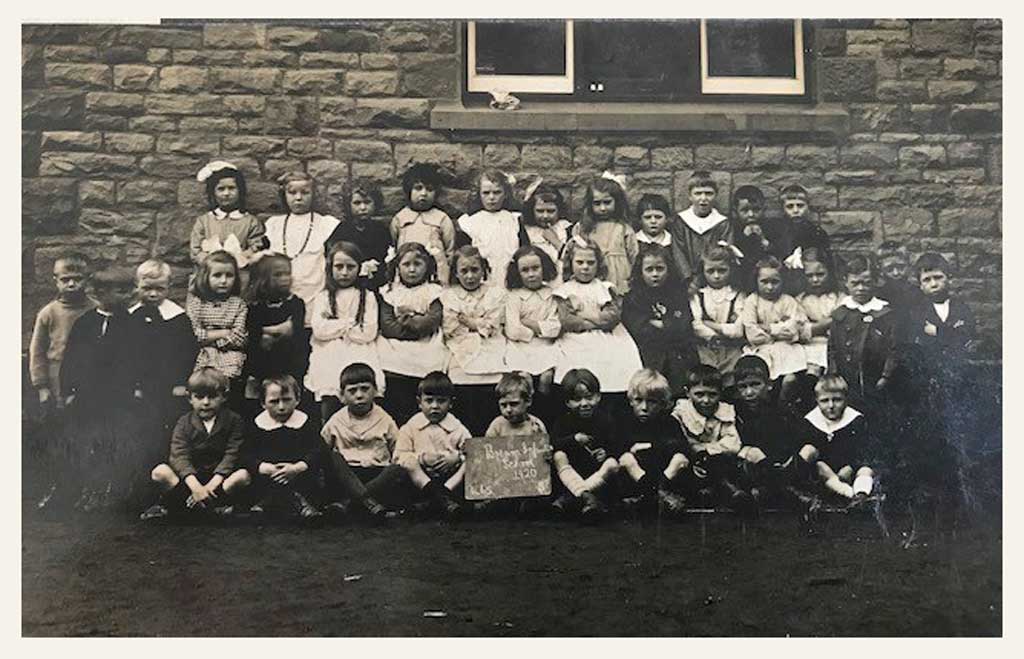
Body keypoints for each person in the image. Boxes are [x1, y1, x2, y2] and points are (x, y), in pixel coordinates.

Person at [58, 267, 140, 511]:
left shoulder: (133, 323)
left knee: (115, 442)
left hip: (120, 398)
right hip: (89, 397)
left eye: (130, 290)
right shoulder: (85, 323)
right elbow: (70, 358)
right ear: (101, 293)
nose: (129, 295)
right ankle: (89, 489)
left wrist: (137, 387)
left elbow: (141, 359)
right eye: (122, 291)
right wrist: (69, 391)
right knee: (88, 442)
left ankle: (113, 491)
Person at [139, 368, 247, 520]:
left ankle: (218, 506)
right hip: (190, 480)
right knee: (160, 472)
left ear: (224, 397)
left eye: (213, 396)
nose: (206, 402)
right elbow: (179, 455)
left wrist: (210, 487)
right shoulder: (184, 422)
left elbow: (232, 454)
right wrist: (196, 488)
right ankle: (181, 504)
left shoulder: (234, 420)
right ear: (190, 398)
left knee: (242, 476)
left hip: (219, 479)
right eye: (199, 397)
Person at [553, 236, 643, 394]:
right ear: (571, 263)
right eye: (580, 263)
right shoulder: (565, 290)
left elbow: (612, 317)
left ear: (598, 264)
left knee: (618, 356)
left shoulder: (604, 287)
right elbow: (568, 321)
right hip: (577, 336)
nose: (585, 267)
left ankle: (613, 392)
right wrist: (594, 320)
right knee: (579, 360)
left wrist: (587, 316)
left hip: (607, 335)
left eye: (590, 263)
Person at [305, 241, 383, 422]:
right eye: (339, 267)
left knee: (360, 383)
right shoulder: (323, 297)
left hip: (360, 349)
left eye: (350, 267)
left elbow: (368, 332)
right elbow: (319, 330)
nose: (345, 272)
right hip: (328, 351)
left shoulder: (368, 297)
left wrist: (335, 325)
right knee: (329, 381)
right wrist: (349, 324)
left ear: (359, 268)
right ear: (330, 268)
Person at [732, 355, 820, 513]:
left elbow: (801, 438)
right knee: (751, 452)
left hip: (782, 466)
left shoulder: (780, 409)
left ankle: (777, 490)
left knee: (809, 449)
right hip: (756, 471)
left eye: (755, 385)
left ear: (769, 384)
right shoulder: (735, 411)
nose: (749, 392)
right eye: (743, 387)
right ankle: (788, 492)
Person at [233, 375, 325, 521]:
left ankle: (290, 502)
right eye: (274, 401)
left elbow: (318, 450)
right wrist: (263, 467)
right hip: (267, 477)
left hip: (298, 475)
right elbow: (244, 454)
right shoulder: (256, 425)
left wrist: (297, 467)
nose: (281, 407)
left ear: (297, 399)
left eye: (287, 400)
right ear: (263, 403)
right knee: (255, 482)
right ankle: (280, 502)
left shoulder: (306, 422)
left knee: (308, 482)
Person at [320, 363, 405, 518]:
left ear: (375, 391)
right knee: (333, 457)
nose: (359, 395)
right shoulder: (336, 420)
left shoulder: (385, 419)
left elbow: (397, 448)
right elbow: (322, 448)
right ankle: (367, 502)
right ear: (342, 395)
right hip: (348, 475)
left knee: (398, 466)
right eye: (352, 391)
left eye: (365, 389)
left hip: (376, 473)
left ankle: (351, 502)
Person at [377, 242, 448, 425]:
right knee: (388, 360)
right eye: (406, 265)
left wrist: (408, 321)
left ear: (427, 267)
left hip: (426, 341)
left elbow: (433, 319)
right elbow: (387, 325)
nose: (412, 270)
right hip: (397, 342)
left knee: (432, 359)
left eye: (417, 265)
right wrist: (413, 329)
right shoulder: (390, 292)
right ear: (397, 267)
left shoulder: (433, 291)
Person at [441, 245, 508, 435]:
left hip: (490, 345)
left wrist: (469, 321)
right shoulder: (449, 296)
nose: (470, 276)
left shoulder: (495, 294)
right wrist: (479, 323)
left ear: (484, 270)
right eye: (464, 271)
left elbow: (492, 326)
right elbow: (451, 328)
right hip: (460, 348)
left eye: (475, 270)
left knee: (493, 386)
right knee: (460, 383)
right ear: (456, 272)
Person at [126, 259, 197, 437]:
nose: (153, 294)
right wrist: (132, 384)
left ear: (169, 286)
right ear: (137, 285)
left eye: (160, 289)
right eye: (147, 288)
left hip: (170, 384)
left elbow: (188, 353)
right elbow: (126, 354)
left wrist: (182, 382)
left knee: (169, 424)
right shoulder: (130, 317)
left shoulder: (178, 318)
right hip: (139, 384)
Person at [263, 171, 340, 326]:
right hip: (282, 293)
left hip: (314, 292)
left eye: (305, 193)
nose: (298, 198)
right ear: (284, 195)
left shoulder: (325, 224)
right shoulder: (274, 224)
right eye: (292, 193)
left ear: (313, 194)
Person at [622, 244, 698, 397]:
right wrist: (668, 324)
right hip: (648, 355)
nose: (655, 274)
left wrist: (659, 324)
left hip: (678, 355)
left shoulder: (678, 295)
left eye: (660, 269)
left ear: (668, 270)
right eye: (649, 270)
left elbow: (683, 326)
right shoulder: (633, 297)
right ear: (640, 272)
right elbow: (639, 329)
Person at [671, 365, 751, 511]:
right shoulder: (682, 412)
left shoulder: (725, 411)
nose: (706, 400)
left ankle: (730, 492)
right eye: (699, 394)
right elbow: (682, 442)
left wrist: (705, 449)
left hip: (718, 460)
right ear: (687, 393)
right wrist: (701, 450)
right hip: (691, 461)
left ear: (720, 393)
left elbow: (733, 443)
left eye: (712, 394)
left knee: (723, 463)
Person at [393, 372, 471, 518]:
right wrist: (421, 459)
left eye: (441, 401)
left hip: (449, 478)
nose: (435, 406)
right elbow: (398, 457)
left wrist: (457, 458)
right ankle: (440, 499)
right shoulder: (410, 427)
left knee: (470, 463)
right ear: (419, 402)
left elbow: (471, 452)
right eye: (429, 401)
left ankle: (441, 496)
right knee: (408, 463)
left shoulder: (458, 428)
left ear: (451, 403)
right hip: (420, 481)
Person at [615, 369, 692, 516]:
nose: (644, 408)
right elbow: (617, 447)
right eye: (638, 400)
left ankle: (652, 495)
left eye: (651, 402)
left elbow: (682, 448)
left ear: (663, 404)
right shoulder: (625, 421)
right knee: (627, 459)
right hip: (637, 476)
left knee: (679, 459)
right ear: (631, 400)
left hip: (663, 475)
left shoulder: (669, 421)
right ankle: (654, 495)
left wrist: (649, 446)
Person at [827, 255, 899, 409]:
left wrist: (886, 376)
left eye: (866, 283)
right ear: (846, 282)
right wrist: (834, 375)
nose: (860, 288)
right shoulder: (840, 314)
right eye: (855, 283)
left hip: (876, 377)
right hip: (847, 378)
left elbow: (894, 348)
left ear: (874, 282)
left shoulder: (884, 313)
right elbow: (832, 347)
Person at [549, 369, 620, 520]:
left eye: (589, 397)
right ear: (567, 402)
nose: (584, 404)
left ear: (598, 397)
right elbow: (554, 443)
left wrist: (606, 453)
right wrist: (573, 439)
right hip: (571, 475)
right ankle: (587, 498)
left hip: (597, 477)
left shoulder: (606, 420)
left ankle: (573, 497)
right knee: (559, 456)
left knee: (612, 463)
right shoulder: (563, 421)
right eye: (577, 399)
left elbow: (616, 444)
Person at [30, 252, 95, 415]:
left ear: (88, 279)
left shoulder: (96, 309)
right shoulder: (48, 313)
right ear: (56, 281)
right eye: (65, 280)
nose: (72, 284)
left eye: (78, 279)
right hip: (56, 375)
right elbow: (37, 350)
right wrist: (42, 386)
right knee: (60, 420)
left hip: (89, 373)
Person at [243, 253, 307, 417]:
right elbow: (254, 334)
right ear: (264, 279)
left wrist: (268, 330)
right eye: (278, 275)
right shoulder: (254, 306)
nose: (285, 278)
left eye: (287, 273)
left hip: (289, 361)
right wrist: (281, 329)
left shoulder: (296, 303)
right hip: (262, 363)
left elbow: (295, 330)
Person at [801, 375, 878, 507]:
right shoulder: (811, 422)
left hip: (849, 470)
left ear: (846, 399)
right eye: (824, 401)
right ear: (817, 401)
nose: (831, 406)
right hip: (825, 477)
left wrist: (851, 467)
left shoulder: (856, 420)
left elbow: (863, 451)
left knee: (866, 470)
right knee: (820, 466)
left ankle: (860, 496)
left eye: (837, 400)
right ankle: (849, 494)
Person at [740, 256, 808, 403]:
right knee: (760, 377)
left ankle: (784, 403)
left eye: (775, 282)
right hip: (761, 349)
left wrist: (768, 328)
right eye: (764, 282)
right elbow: (753, 334)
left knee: (790, 378)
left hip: (786, 349)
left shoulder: (788, 301)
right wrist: (779, 329)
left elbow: (793, 330)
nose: (770, 287)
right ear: (756, 281)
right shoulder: (752, 301)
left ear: (783, 281)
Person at [185, 250, 248, 408]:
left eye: (229, 275)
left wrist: (210, 338)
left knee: (228, 389)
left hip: (229, 356)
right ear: (206, 276)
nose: (224, 281)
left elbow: (238, 337)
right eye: (217, 275)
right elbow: (193, 334)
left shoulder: (238, 304)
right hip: (203, 356)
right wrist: (224, 332)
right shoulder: (197, 303)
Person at [503, 245, 563, 401]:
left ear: (544, 268)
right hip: (520, 346)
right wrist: (537, 331)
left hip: (546, 345)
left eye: (535, 268)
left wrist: (531, 324)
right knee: (524, 377)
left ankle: (544, 406)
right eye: (525, 270)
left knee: (546, 376)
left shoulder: (551, 294)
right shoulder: (514, 297)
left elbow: (555, 326)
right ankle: (526, 404)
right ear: (517, 272)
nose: (531, 274)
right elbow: (513, 330)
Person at [457, 169, 530, 290]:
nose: (491, 197)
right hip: (481, 280)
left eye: (497, 192)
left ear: (505, 193)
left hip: (509, 278)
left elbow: (524, 250)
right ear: (479, 194)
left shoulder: (514, 220)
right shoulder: (469, 222)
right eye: (486, 193)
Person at [569, 173, 638, 294]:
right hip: (592, 275)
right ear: (590, 205)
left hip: (619, 278)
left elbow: (634, 256)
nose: (602, 208)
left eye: (607, 202)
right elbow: (574, 253)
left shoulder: (623, 228)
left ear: (617, 202)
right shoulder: (584, 228)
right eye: (597, 203)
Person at [190, 161, 265, 269]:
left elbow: (256, 248)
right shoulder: (204, 221)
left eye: (231, 188)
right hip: (209, 275)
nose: (226, 193)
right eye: (221, 189)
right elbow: (196, 251)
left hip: (240, 275)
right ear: (213, 193)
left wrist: (240, 259)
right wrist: (213, 264)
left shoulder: (250, 222)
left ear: (240, 191)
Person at [390, 162, 457, 284]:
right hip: (407, 275)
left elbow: (450, 251)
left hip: (435, 277)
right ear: (409, 190)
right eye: (418, 188)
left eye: (430, 189)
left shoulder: (442, 219)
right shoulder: (400, 219)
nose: (424, 193)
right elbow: (393, 247)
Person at [690, 244, 746, 386]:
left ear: (731, 270)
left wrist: (711, 324)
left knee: (732, 380)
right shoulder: (698, 295)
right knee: (707, 379)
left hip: (731, 349)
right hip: (705, 349)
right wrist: (714, 334)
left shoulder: (737, 294)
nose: (716, 276)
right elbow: (696, 324)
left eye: (722, 270)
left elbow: (738, 330)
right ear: (703, 271)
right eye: (710, 271)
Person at [669, 170, 732, 283]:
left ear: (715, 195)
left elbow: (725, 252)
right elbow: (678, 252)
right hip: (687, 280)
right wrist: (688, 278)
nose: (703, 198)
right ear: (690, 196)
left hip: (714, 276)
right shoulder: (681, 221)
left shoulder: (722, 223)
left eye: (708, 193)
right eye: (698, 193)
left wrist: (712, 272)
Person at [327, 179, 391, 290]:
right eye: (357, 203)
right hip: (348, 281)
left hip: (375, 283)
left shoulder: (381, 230)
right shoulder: (341, 230)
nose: (363, 208)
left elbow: (386, 256)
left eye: (367, 202)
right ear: (348, 205)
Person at [773, 184, 833, 294]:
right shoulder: (776, 234)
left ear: (807, 207)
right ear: (783, 209)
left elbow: (825, 263)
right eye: (790, 207)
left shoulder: (817, 233)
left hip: (810, 286)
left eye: (800, 206)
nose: (795, 211)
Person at [796, 247, 840, 378]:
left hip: (833, 345)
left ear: (829, 273)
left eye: (820, 274)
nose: (815, 280)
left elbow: (841, 322)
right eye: (809, 276)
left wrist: (814, 327)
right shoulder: (799, 301)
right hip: (807, 347)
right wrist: (829, 322)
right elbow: (800, 331)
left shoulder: (839, 297)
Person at [633, 193, 689, 286]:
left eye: (658, 217)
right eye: (647, 217)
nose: (653, 221)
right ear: (640, 220)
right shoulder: (635, 241)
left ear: (667, 219)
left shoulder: (672, 241)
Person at [520, 181, 572, 278]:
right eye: (540, 211)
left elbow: (574, 258)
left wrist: (556, 242)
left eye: (551, 211)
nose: (545, 216)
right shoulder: (527, 231)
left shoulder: (566, 228)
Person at [729, 185, 772, 293]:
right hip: (741, 278)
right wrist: (744, 238)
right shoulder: (733, 229)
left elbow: (775, 250)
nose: (751, 214)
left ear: (763, 209)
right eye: (745, 210)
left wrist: (762, 238)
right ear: (736, 211)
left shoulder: (770, 227)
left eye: (756, 209)